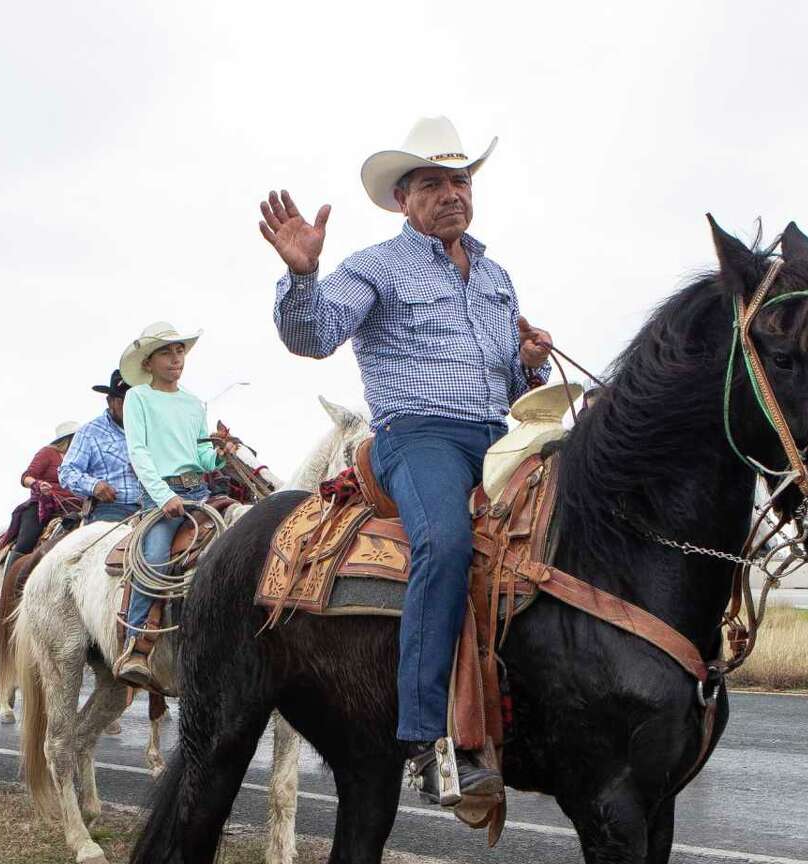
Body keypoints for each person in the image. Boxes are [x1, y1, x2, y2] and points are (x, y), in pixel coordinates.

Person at [262, 115, 553, 803]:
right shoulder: (374, 266)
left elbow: (510, 385)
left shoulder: (495, 274)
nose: (452, 193)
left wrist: (530, 366)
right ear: (402, 198)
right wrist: (302, 278)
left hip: (501, 434)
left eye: (460, 180)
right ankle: (428, 737)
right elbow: (315, 336)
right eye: (433, 184)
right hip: (418, 436)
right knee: (445, 543)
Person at [113, 322, 236, 687]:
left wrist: (216, 456)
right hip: (160, 494)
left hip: (198, 492)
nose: (176, 358)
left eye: (180, 350)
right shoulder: (139, 398)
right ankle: (137, 644)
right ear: (148, 363)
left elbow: (198, 453)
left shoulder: (193, 403)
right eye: (167, 352)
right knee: (154, 558)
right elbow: (139, 452)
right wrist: (163, 496)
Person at [59, 369, 145, 525]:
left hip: (155, 504)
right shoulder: (90, 433)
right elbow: (67, 471)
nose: (130, 408)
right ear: (110, 401)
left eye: (135, 402)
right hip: (113, 508)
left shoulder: (150, 429)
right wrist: (94, 485)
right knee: (108, 542)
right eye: (123, 401)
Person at [3, 426, 81, 566]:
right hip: (44, 506)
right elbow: (26, 477)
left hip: (75, 507)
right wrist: (38, 485)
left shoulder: (82, 458)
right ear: (68, 439)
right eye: (77, 437)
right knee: (26, 542)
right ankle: (10, 582)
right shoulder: (48, 453)